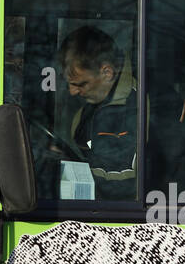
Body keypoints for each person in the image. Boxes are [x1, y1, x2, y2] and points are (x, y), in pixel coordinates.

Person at [57, 26, 137, 200]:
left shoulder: (144, 108)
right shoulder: (84, 114)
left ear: (107, 72)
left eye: (80, 84)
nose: (72, 92)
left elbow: (127, 187)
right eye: (69, 84)